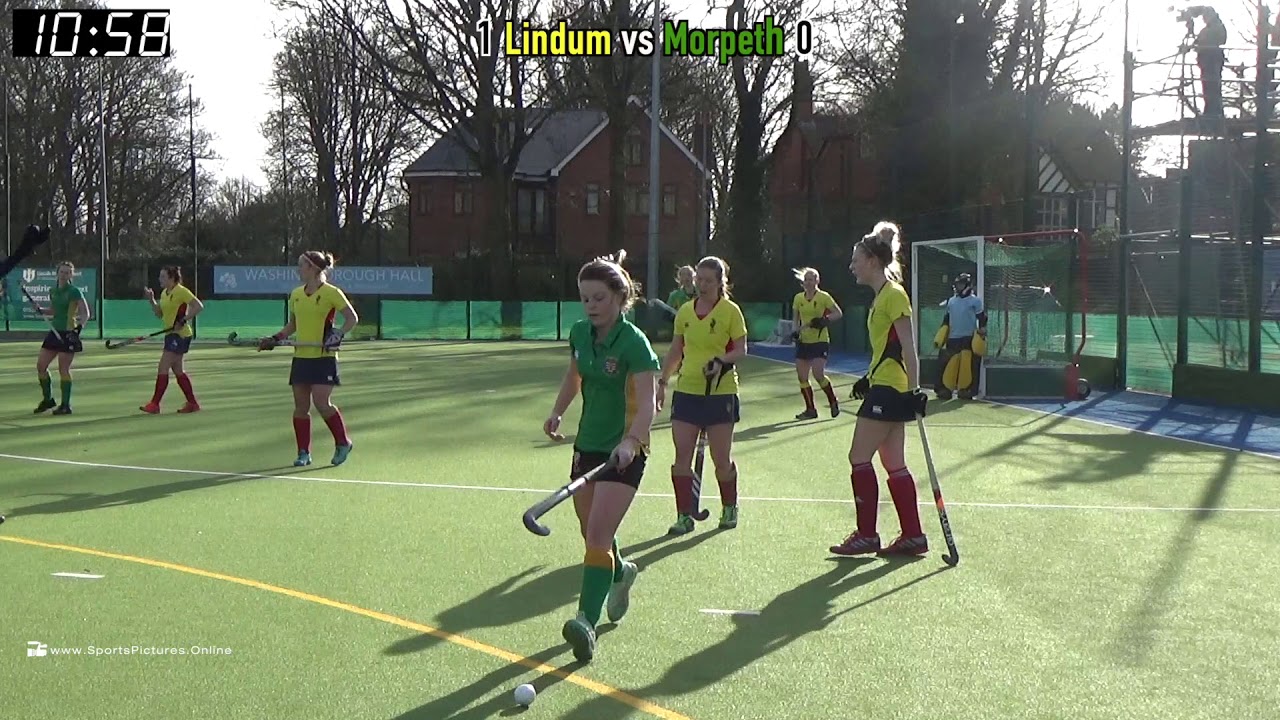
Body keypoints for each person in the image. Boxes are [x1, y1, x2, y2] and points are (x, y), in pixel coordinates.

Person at [542, 250, 659, 663]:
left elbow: (649, 403)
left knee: (595, 537)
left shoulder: (634, 342)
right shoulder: (579, 332)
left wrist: (631, 441)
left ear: (619, 297)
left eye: (599, 298)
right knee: (593, 531)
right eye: (585, 298)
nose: (591, 306)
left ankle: (586, 623)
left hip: (625, 450)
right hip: (587, 444)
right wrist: (558, 410)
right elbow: (574, 375)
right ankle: (622, 570)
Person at [832, 221, 929, 557]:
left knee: (858, 457)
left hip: (891, 390)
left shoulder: (894, 296)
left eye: (856, 259)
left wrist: (916, 389)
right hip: (884, 384)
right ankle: (913, 536)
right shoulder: (882, 298)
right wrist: (867, 377)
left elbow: (908, 347)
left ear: (872, 261)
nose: (852, 265)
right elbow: (885, 351)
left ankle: (867, 534)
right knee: (894, 464)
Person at [658, 256, 748, 535]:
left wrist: (721, 361)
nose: (703, 285)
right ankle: (683, 515)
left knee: (721, 458)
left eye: (709, 280)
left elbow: (741, 350)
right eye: (700, 279)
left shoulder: (730, 311)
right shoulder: (685, 311)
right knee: (681, 456)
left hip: (720, 392)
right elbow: (676, 350)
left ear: (721, 282)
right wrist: (662, 380)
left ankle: (729, 507)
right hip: (688, 391)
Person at [258, 251, 358, 467]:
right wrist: (275, 338)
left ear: (312, 268)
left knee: (322, 402)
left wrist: (338, 334)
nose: (298, 270)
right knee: (300, 407)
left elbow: (352, 318)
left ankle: (343, 442)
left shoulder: (332, 293)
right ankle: (303, 452)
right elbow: (292, 325)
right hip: (301, 357)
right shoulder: (295, 294)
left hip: (324, 356)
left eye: (301, 265)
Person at [140, 266, 205, 414]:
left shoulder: (181, 291)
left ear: (171, 278)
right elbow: (160, 314)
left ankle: (155, 404)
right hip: (170, 335)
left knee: (163, 366)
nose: (159, 279)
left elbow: (198, 306)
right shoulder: (164, 293)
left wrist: (183, 320)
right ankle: (193, 403)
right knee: (178, 371)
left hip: (180, 335)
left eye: (163, 277)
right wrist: (151, 301)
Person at [34, 261, 91, 416]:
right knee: (41, 366)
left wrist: (79, 328)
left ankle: (66, 405)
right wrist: (42, 310)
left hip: (68, 333)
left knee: (63, 369)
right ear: (57, 273)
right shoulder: (53, 291)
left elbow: (85, 313)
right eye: (62, 272)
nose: (64, 275)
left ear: (71, 275)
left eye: (67, 272)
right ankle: (48, 400)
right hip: (54, 332)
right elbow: (54, 311)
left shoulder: (74, 291)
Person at [790, 267, 844, 419]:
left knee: (818, 373)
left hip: (819, 341)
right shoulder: (798, 298)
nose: (808, 282)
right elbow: (796, 318)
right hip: (804, 341)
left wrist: (823, 320)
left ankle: (833, 401)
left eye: (811, 279)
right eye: (806, 279)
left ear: (817, 281)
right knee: (802, 377)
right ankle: (810, 410)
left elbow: (838, 313)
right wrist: (795, 331)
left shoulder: (824, 297)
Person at [932, 272, 986, 400]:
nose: (958, 287)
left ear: (968, 285)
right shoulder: (951, 301)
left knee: (968, 365)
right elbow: (947, 319)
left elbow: (982, 318)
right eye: (957, 284)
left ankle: (966, 390)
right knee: (948, 362)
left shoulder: (975, 301)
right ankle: (944, 389)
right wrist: (941, 335)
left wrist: (982, 331)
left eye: (961, 284)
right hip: (952, 338)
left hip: (968, 338)